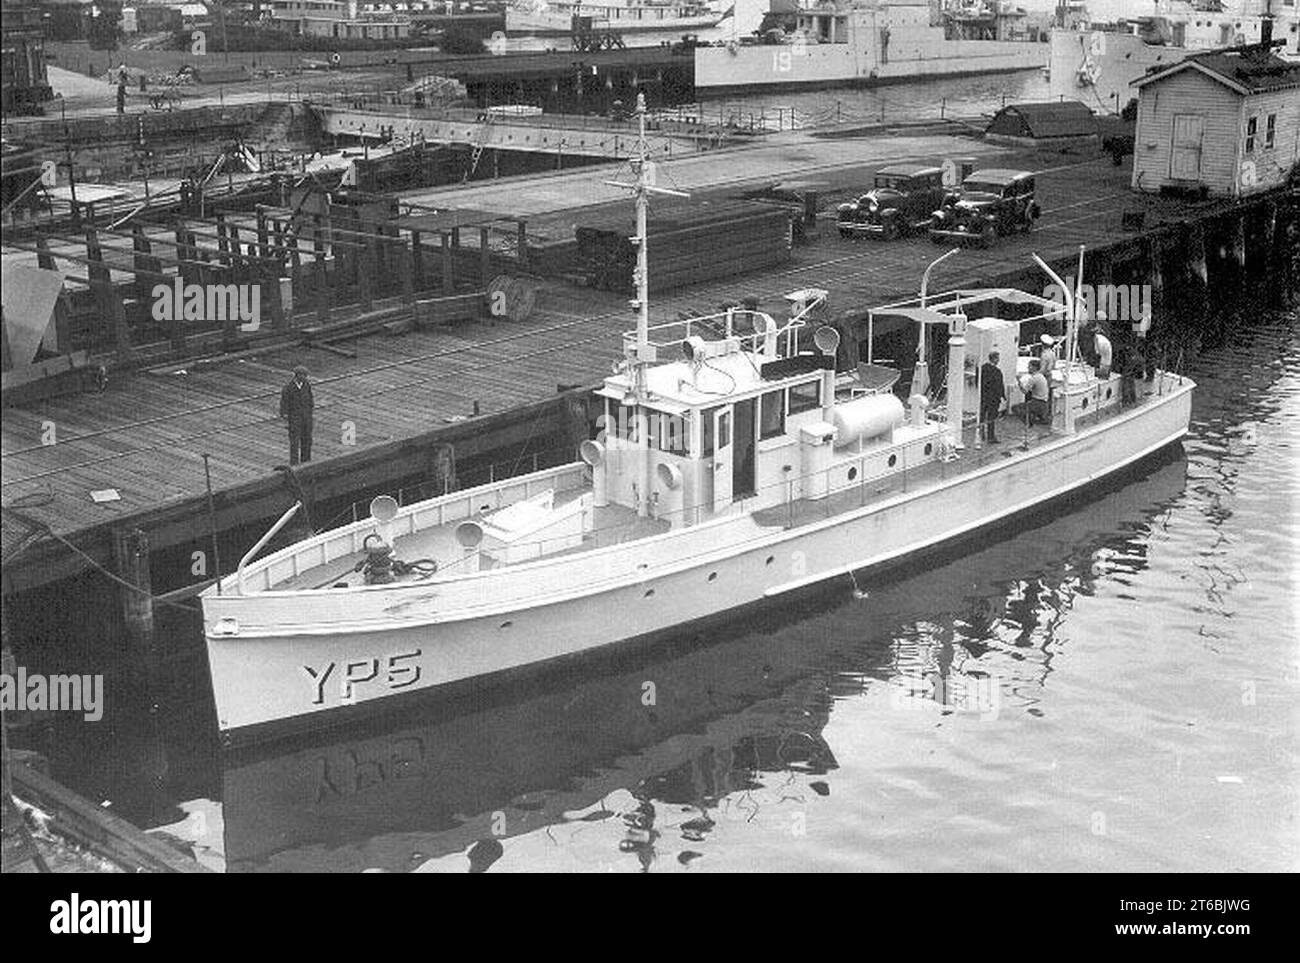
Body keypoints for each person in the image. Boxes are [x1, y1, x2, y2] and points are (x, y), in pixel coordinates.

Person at [280, 364, 315, 464]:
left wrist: (309, 412)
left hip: (306, 418)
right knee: (294, 442)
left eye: (305, 375)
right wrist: (285, 416)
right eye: (302, 375)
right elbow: (284, 403)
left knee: (307, 440)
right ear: (297, 375)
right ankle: (294, 463)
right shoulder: (288, 388)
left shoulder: (306, 385)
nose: (304, 377)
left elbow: (310, 399)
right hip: (295, 418)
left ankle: (306, 461)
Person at [979, 350, 1006, 443]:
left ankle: (981, 434)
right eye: (998, 358)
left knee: (982, 415)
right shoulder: (997, 371)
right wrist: (1002, 396)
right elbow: (999, 385)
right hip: (993, 398)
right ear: (994, 359)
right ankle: (990, 437)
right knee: (991, 418)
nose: (998, 360)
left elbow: (978, 381)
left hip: (983, 396)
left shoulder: (982, 368)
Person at [1015, 359, 1049, 425]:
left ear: (1034, 368)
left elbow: (1024, 391)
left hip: (1038, 403)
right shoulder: (1041, 376)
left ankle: (1028, 423)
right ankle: (1040, 418)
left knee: (1015, 408)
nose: (1028, 368)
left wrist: (1019, 382)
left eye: (1029, 366)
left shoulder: (1033, 378)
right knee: (1029, 402)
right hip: (1044, 402)